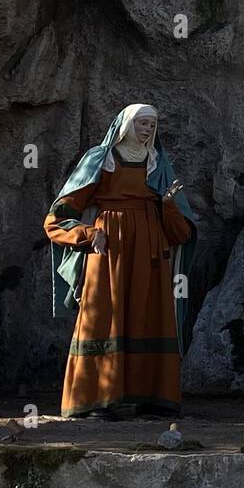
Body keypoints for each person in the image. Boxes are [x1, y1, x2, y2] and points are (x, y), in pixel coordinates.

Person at [44, 104, 197, 420]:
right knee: (105, 313)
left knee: (149, 313)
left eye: (152, 124)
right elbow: (57, 217)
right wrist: (87, 234)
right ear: (126, 125)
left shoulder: (158, 165)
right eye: (142, 123)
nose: (148, 129)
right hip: (111, 247)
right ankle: (99, 396)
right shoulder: (100, 160)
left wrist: (167, 205)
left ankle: (151, 396)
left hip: (150, 248)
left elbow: (180, 229)